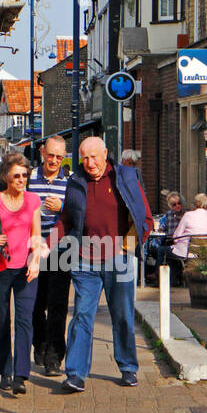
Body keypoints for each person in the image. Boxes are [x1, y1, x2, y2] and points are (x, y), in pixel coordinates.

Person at [60, 136, 149, 393]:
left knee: (121, 315)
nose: (89, 163)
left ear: (106, 154)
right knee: (82, 316)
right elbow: (66, 219)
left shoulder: (126, 177)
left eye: (94, 157)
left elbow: (144, 217)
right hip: (84, 262)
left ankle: (128, 367)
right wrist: (46, 244)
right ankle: (75, 374)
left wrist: (126, 247)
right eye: (84, 158)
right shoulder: (76, 181)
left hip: (117, 260)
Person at [0, 152, 44, 396]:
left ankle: (21, 375)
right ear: (6, 176)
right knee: (2, 321)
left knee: (25, 320)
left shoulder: (33, 200)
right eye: (17, 175)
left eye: (25, 175)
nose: (22, 179)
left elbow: (36, 235)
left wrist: (36, 259)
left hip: (25, 269)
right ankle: (5, 372)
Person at [29, 135, 71, 376]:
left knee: (57, 306)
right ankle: (40, 344)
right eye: (51, 155)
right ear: (43, 152)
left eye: (59, 157)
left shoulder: (70, 181)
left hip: (60, 250)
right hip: (33, 248)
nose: (54, 160)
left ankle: (54, 357)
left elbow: (77, 212)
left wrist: (62, 208)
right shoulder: (29, 178)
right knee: (34, 304)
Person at [171, 193, 207, 262]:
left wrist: (175, 240)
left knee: (162, 251)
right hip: (203, 252)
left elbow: (176, 236)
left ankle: (159, 272)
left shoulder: (188, 215)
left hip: (186, 252)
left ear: (196, 203)